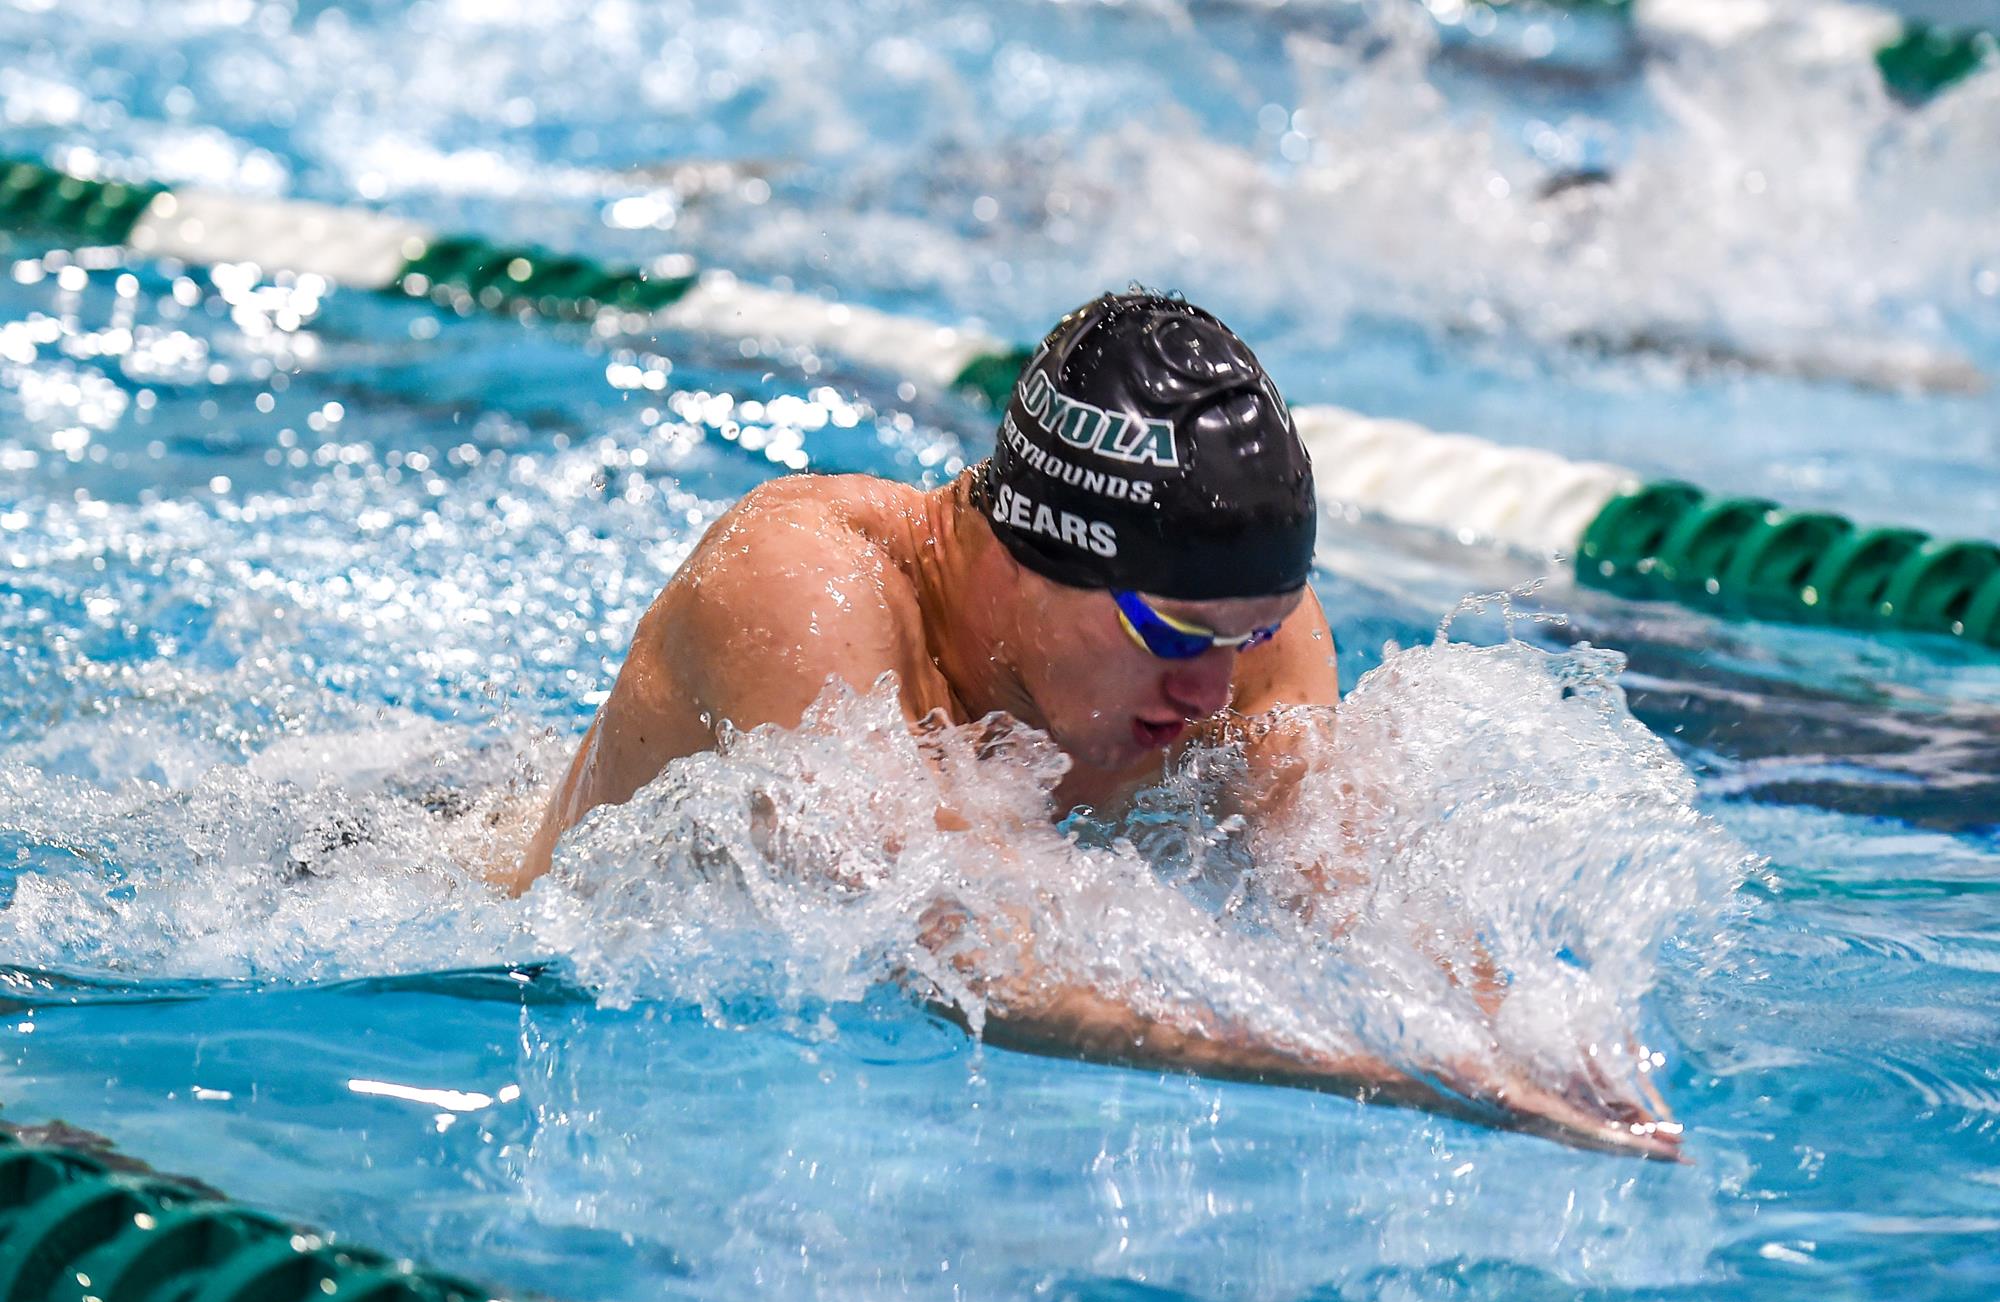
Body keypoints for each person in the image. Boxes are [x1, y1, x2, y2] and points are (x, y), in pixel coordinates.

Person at [509, 291, 1681, 1160]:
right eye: (1171, 632)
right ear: (1025, 553)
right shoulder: (800, 588)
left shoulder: (1245, 644)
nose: (1211, 690)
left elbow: (1350, 893)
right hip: (509, 965)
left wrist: (1520, 1034)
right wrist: (1391, 1072)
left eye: (1252, 632)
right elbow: (961, 948)